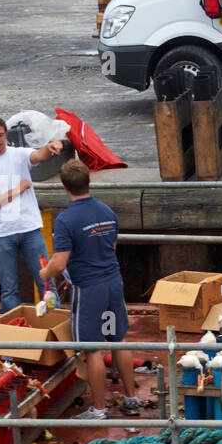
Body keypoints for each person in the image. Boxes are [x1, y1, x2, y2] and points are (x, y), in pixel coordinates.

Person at [39, 159, 140, 419]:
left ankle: (98, 410)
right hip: (113, 284)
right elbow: (110, 249)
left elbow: (59, 262)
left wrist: (45, 273)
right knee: (118, 341)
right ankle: (131, 400)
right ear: (89, 182)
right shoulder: (107, 212)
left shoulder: (65, 220)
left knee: (93, 349)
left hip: (88, 290)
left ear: (64, 187)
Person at [0, 116, 64, 313]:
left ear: (6, 134)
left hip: (30, 229)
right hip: (2, 234)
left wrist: (51, 146)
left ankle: (53, 320)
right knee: (9, 289)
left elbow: (38, 155)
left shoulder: (19, 154)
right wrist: (18, 190)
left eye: (1, 135)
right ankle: (13, 330)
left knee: (46, 282)